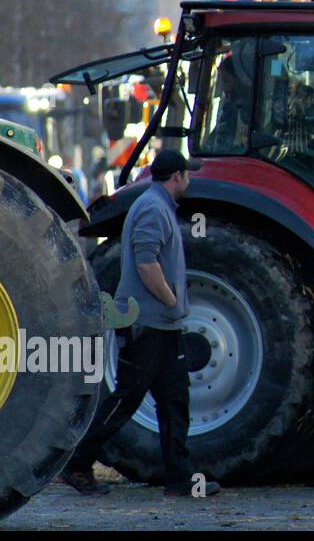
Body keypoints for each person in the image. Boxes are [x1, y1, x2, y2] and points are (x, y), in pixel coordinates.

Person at [60, 150, 221, 498]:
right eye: (187, 175)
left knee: (174, 399)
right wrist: (172, 301)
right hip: (147, 322)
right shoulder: (152, 208)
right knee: (127, 398)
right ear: (176, 177)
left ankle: (180, 477)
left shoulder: (158, 206)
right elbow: (147, 264)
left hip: (162, 324)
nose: (189, 181)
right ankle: (77, 462)